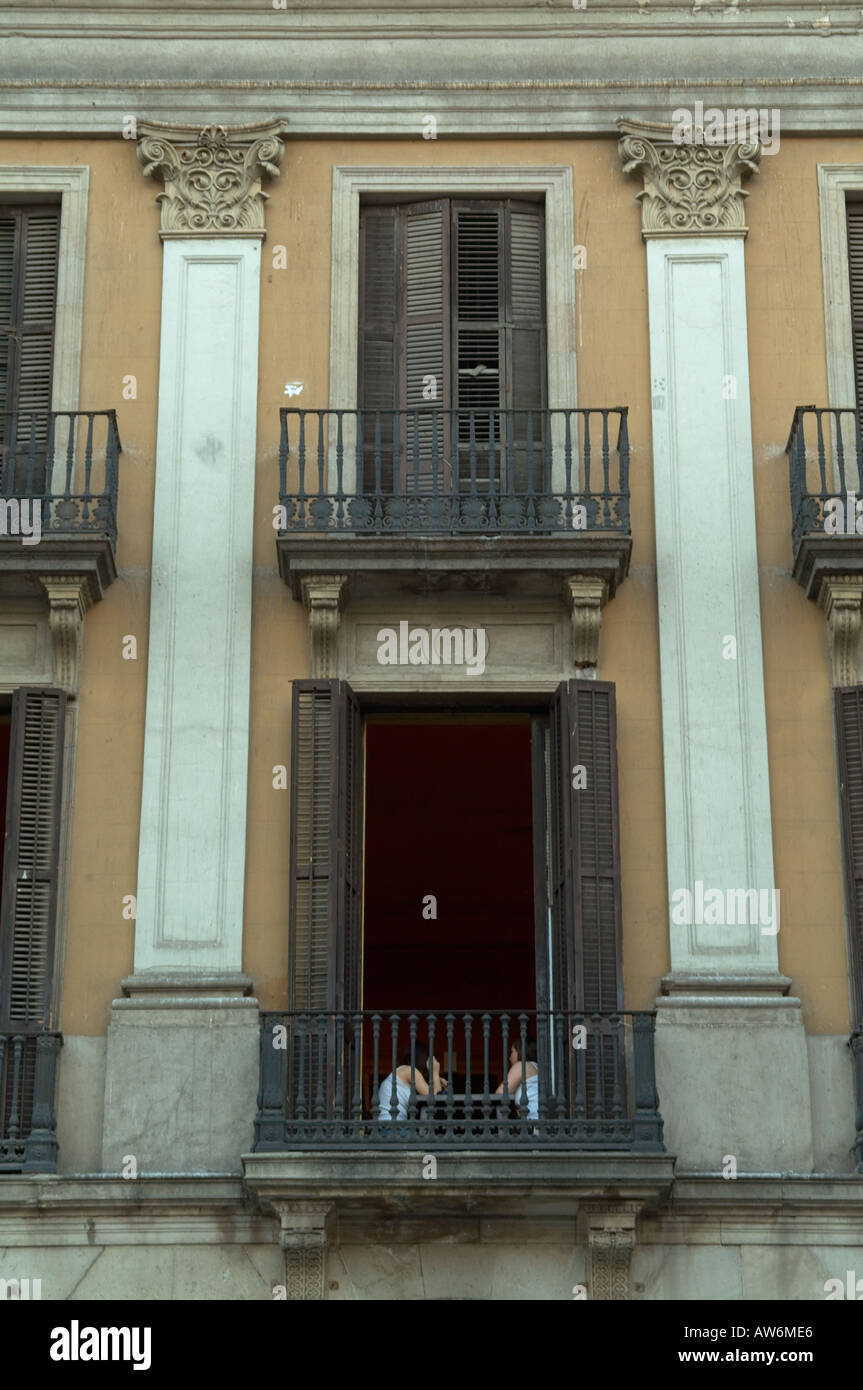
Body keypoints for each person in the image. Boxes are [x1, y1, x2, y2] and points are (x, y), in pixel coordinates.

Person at [376, 1043, 446, 1125]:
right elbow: (436, 1097)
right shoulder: (410, 1071)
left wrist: (437, 1079)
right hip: (394, 1128)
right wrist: (435, 1072)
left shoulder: (403, 1071)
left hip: (386, 1127)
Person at [495, 1036, 539, 1120]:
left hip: (534, 1122)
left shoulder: (522, 1066)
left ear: (520, 1052)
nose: (510, 1057)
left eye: (512, 1052)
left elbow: (499, 1094)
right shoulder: (535, 1066)